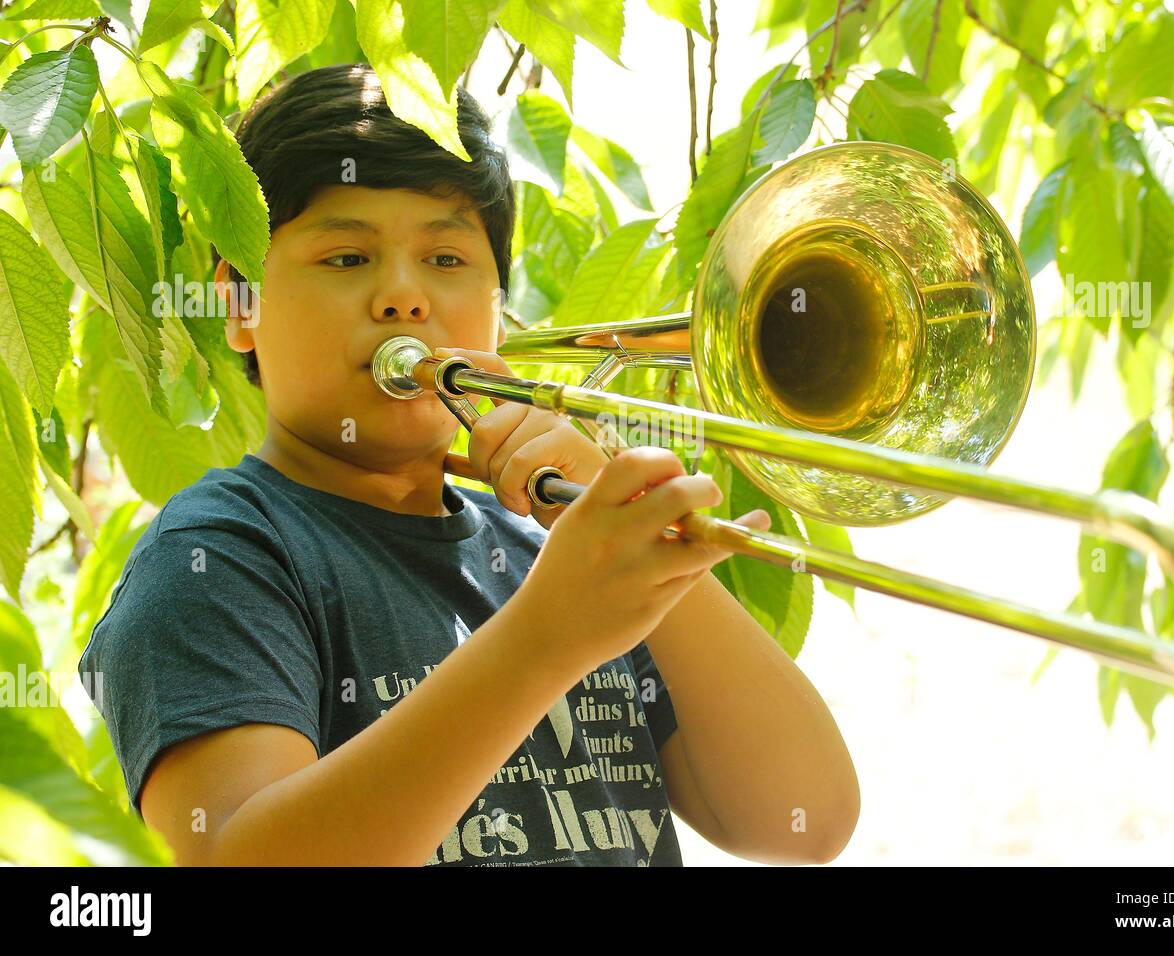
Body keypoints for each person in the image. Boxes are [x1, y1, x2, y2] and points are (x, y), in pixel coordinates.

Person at [78, 64, 859, 866]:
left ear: (498, 311)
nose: (404, 297)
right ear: (240, 305)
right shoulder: (216, 557)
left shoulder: (557, 551)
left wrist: (657, 553)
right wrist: (546, 637)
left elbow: (803, 823)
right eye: (346, 258)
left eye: (447, 260)